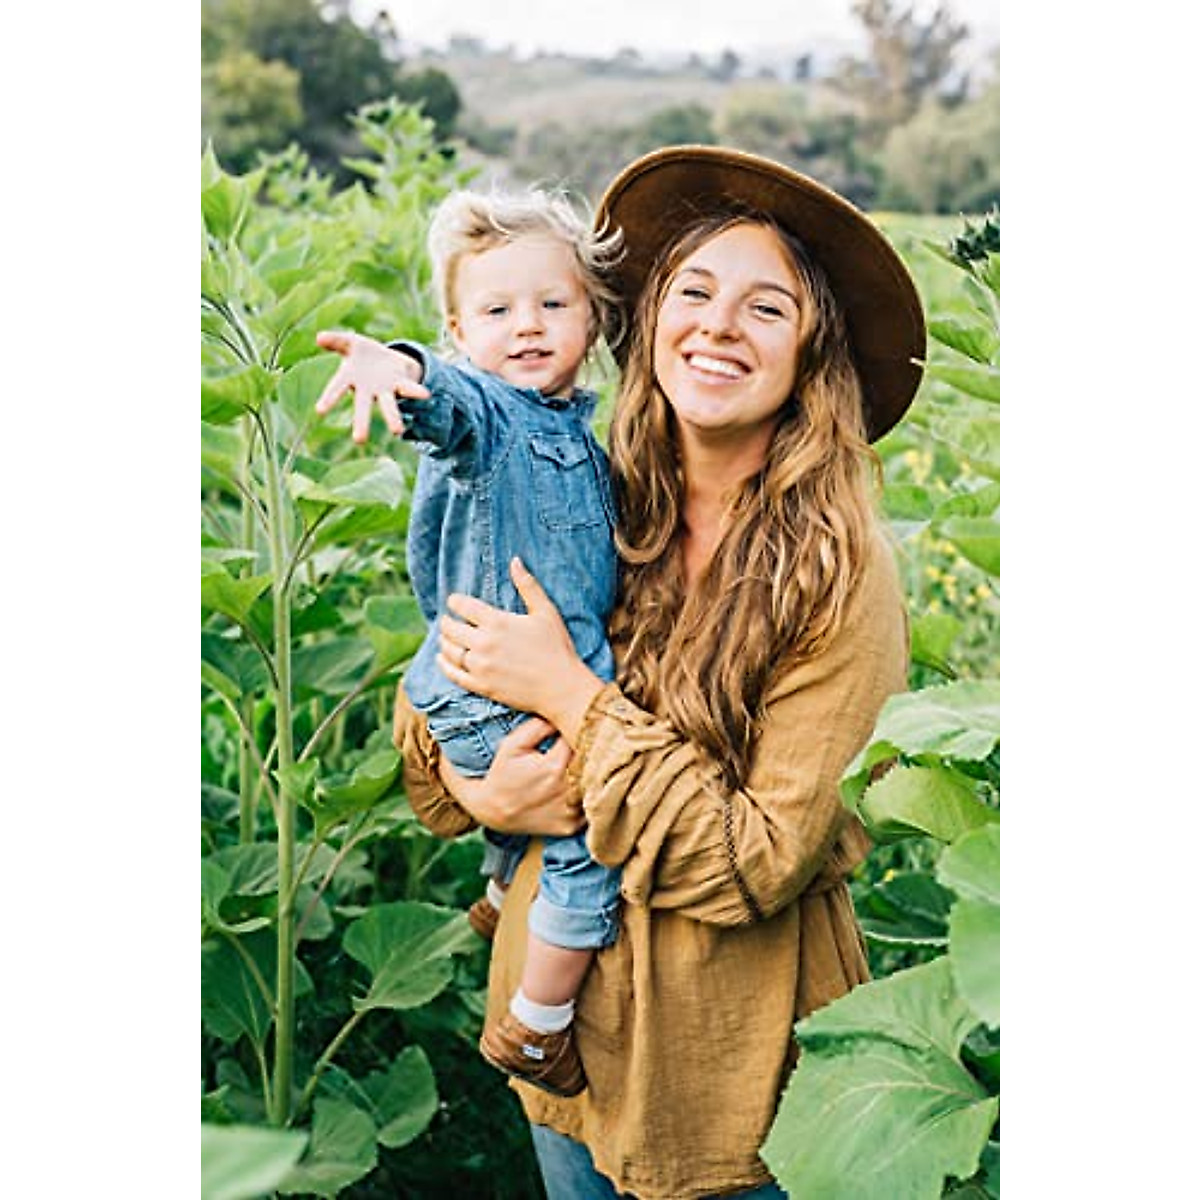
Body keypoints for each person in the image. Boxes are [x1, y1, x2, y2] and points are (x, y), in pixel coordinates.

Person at [382, 145, 924, 1199]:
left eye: (766, 308)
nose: (719, 326)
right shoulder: (588, 484)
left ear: (812, 351)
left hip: (723, 1083)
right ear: (647, 319)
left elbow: (756, 863)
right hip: (562, 1052)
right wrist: (484, 790)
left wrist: (572, 700)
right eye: (695, 292)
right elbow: (441, 686)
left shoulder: (838, 571)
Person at [313, 185, 628, 1097]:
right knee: (590, 832)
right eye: (496, 311)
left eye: (553, 303)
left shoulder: (576, 433)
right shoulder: (493, 416)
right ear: (457, 329)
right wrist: (400, 369)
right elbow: (445, 406)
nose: (527, 326)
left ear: (592, 320)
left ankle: (497, 895)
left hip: (502, 686)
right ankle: (538, 1024)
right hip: (498, 692)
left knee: (545, 803)